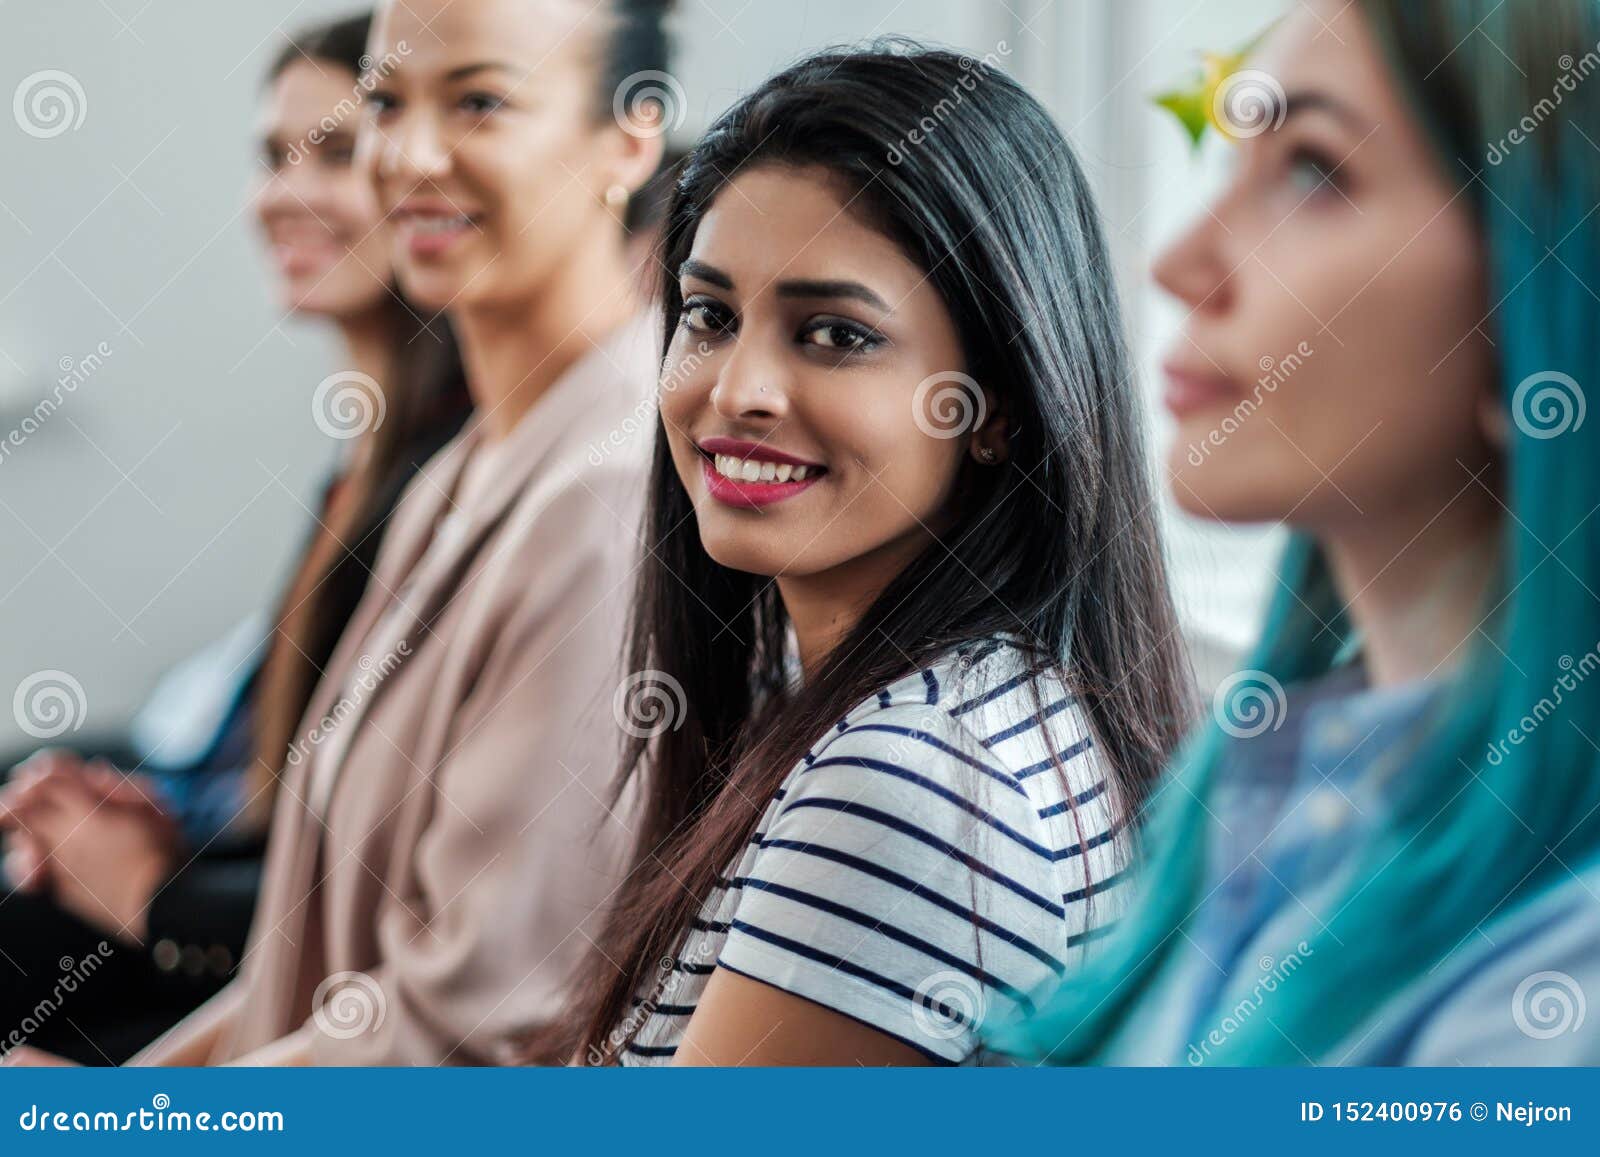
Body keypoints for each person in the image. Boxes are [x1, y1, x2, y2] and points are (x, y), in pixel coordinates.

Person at [992, 0, 1600, 1066]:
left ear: (1542, 295)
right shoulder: (1250, 790)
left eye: (1314, 172)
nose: (1180, 263)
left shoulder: (1559, 999)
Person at [567, 43, 1193, 1067]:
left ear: (995, 405)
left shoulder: (916, 786)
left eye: (835, 335)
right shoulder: (914, 701)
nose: (737, 391)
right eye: (710, 316)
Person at [0, 11, 470, 1065]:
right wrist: (152, 826)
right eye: (272, 156)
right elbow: (283, 796)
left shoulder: (456, 486)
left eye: (337, 153)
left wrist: (156, 894)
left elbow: (381, 898)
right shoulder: (357, 469)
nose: (284, 196)